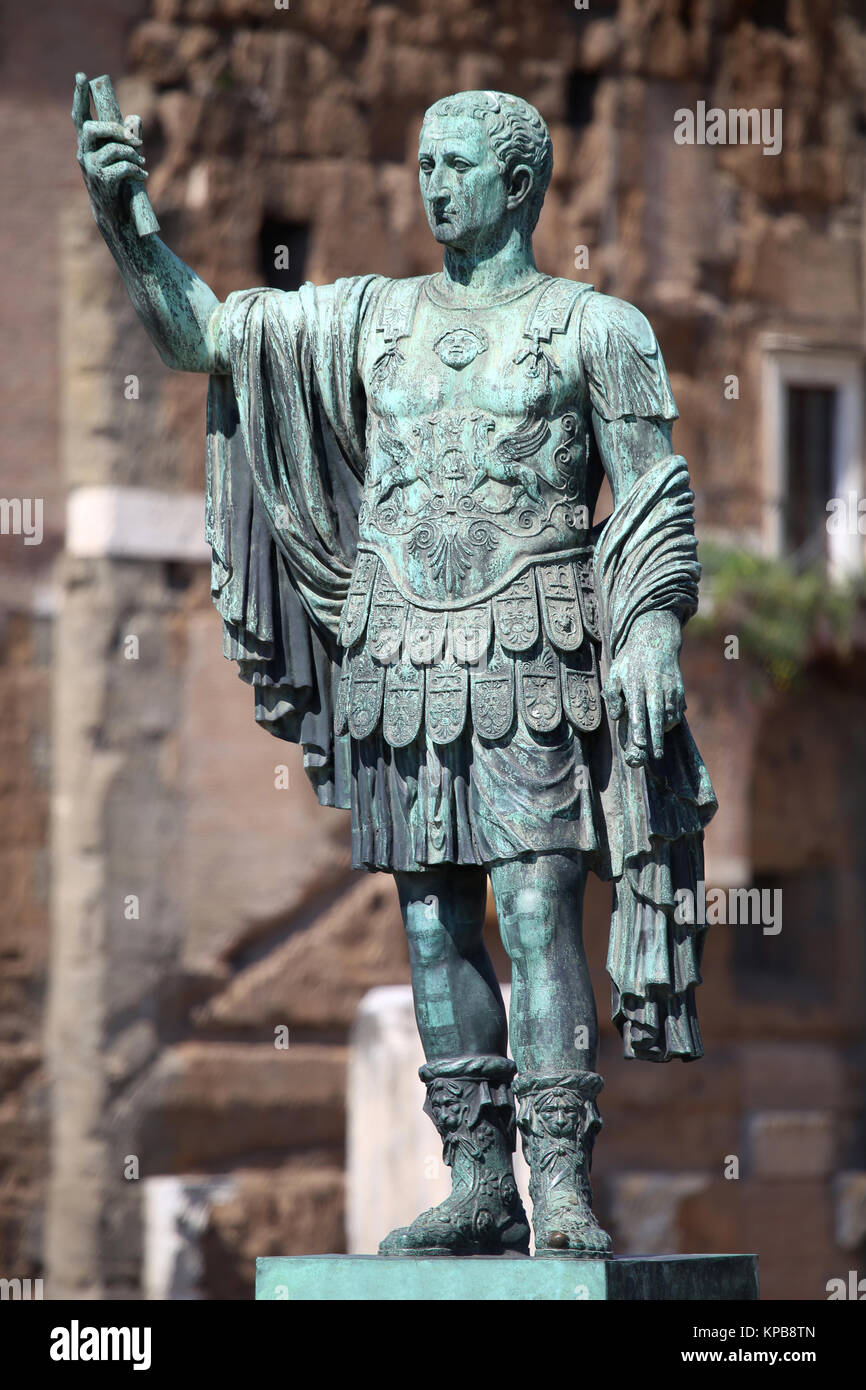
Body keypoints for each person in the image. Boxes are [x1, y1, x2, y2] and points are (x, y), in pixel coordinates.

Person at [75, 80, 716, 1258]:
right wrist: (130, 222)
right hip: (400, 654)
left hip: (535, 647)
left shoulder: (596, 328)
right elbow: (206, 338)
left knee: (532, 910)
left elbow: (653, 497)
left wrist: (651, 629)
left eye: (453, 165)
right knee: (431, 925)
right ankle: (478, 1180)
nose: (428, 185)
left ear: (518, 185)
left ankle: (560, 1178)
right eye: (420, 163)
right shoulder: (367, 318)